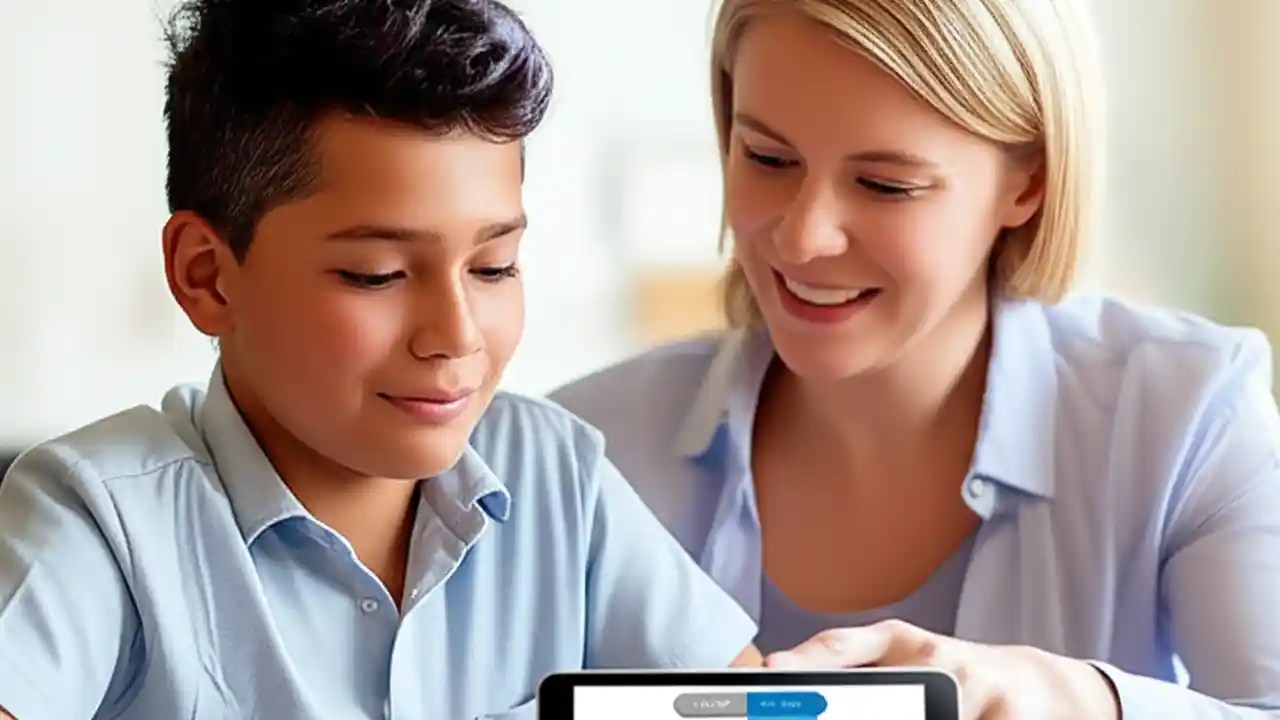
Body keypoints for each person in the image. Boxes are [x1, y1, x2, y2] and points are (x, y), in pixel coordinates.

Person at [0, 2, 763, 718]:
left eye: (494, 266)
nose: (455, 335)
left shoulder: (555, 474)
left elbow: (748, 702)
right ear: (207, 274)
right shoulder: (98, 519)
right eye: (377, 275)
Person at [552, 0, 1280, 717]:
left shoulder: (1188, 414)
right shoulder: (584, 450)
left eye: (885, 184)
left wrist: (1081, 701)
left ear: (1026, 183)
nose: (804, 238)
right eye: (768, 158)